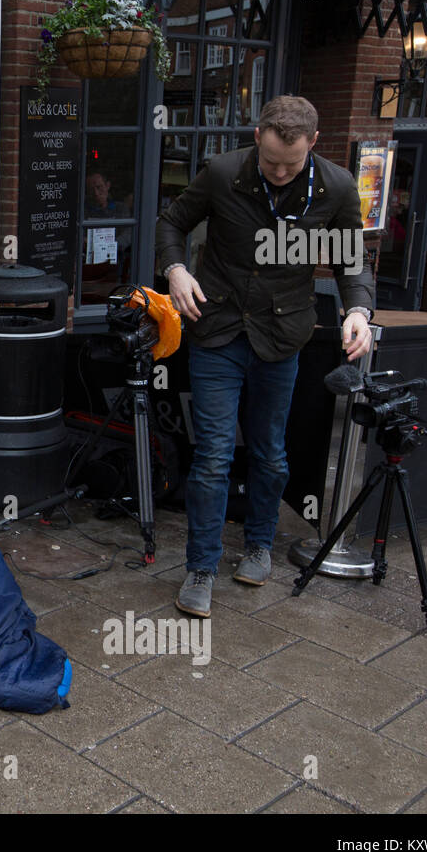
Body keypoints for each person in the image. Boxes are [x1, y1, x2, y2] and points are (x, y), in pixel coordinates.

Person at [155, 95, 374, 618]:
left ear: (313, 144)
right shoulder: (223, 172)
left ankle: (258, 544)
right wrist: (176, 270)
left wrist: (358, 309)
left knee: (270, 452)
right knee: (211, 455)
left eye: (291, 164)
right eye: (271, 160)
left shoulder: (339, 187)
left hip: (283, 335)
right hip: (219, 329)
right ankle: (201, 569)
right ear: (258, 136)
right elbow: (171, 223)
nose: (279, 172)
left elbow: (351, 259)